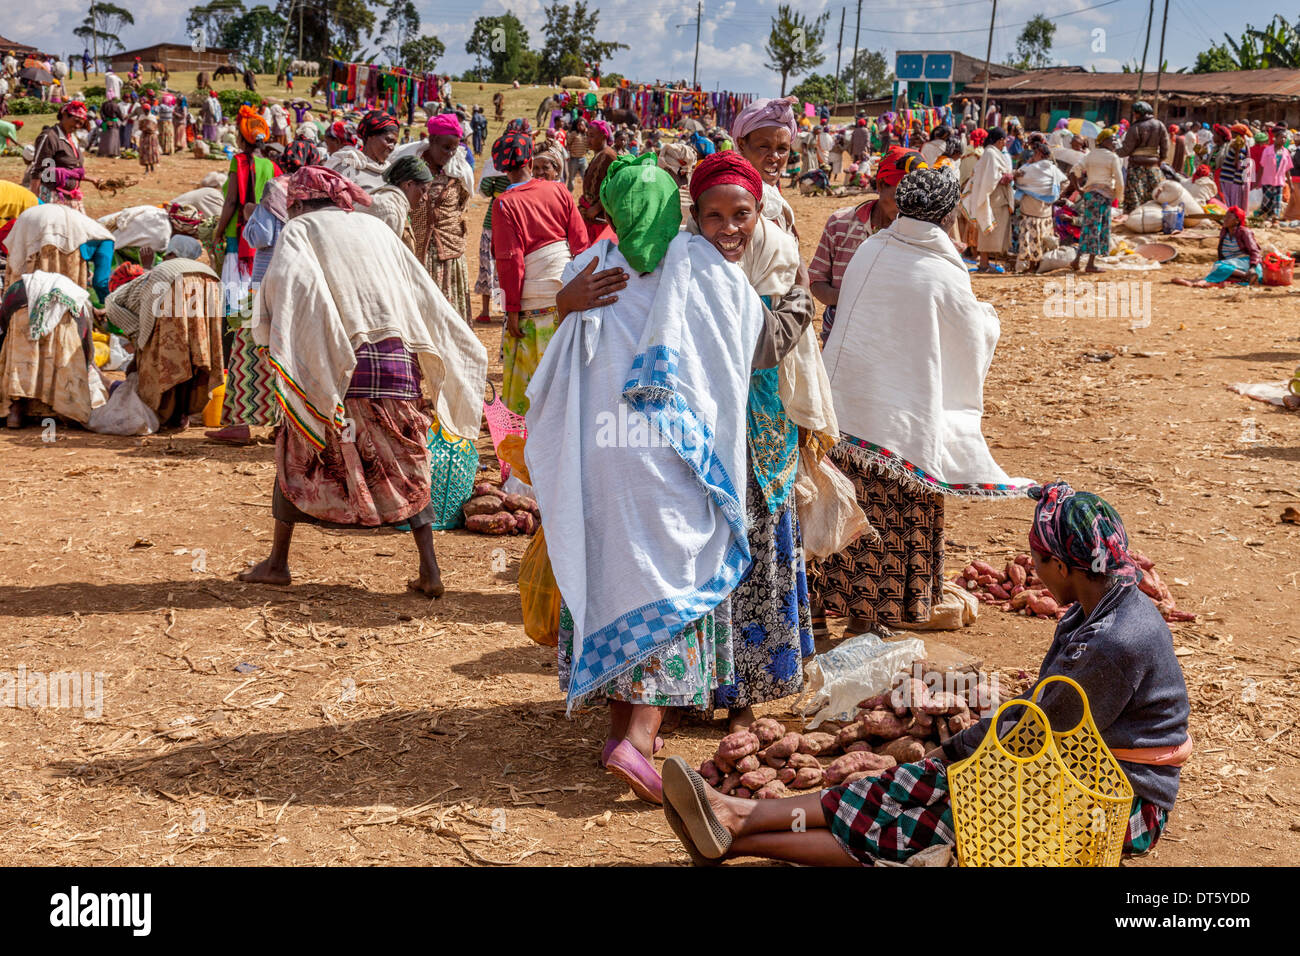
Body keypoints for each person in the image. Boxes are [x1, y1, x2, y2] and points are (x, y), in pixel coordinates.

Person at [662, 481, 1190, 867]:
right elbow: (1038, 719)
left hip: (1118, 802)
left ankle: (738, 833)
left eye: (1037, 560)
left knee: (926, 827)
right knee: (906, 786)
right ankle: (736, 813)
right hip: (1075, 767)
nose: (1034, 569)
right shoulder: (1093, 608)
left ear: (1068, 566)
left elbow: (1034, 730)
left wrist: (956, 755)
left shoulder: (1115, 642)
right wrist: (950, 761)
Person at [530, 154, 769, 803]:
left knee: (617, 580)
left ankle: (624, 728)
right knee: (670, 581)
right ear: (678, 211)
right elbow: (748, 341)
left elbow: (551, 373)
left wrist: (563, 303)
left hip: (601, 463)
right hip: (668, 460)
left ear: (607, 210)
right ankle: (634, 741)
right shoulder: (698, 266)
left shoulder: (586, 270)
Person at [238, 165, 487, 596]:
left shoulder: (300, 231)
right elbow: (420, 290)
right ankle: (430, 571)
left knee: (298, 451)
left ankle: (278, 563)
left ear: (298, 203)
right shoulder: (375, 229)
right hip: (395, 364)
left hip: (336, 366)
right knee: (407, 464)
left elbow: (286, 286)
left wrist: (278, 336)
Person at [810, 168, 1031, 639]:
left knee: (842, 513)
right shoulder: (941, 269)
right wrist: (988, 319)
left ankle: (828, 615)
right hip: (898, 421)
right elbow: (969, 338)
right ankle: (869, 621)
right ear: (948, 215)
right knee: (887, 520)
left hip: (846, 408)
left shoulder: (871, 249)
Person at [490, 128, 589, 414]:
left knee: (535, 387)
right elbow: (580, 243)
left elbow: (511, 260)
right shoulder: (559, 190)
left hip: (532, 305)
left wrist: (511, 309)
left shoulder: (504, 204)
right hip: (568, 296)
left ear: (501, 168)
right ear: (530, 159)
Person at [207, 105, 281, 446]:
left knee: (239, 325)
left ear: (240, 135)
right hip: (271, 259)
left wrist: (218, 232)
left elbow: (231, 203)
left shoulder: (238, 164)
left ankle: (238, 412)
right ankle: (275, 416)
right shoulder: (273, 167)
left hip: (243, 248)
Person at [0, 203, 112, 427]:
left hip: (23, 294)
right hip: (64, 298)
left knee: (23, 340)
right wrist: (104, 306)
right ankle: (60, 406)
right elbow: (100, 281)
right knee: (63, 344)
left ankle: (17, 409)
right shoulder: (102, 237)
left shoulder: (26, 219)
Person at [102, 250, 223, 428]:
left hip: (171, 280)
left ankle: (166, 413)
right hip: (211, 279)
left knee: (162, 359)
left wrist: (142, 342)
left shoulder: (116, 296)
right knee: (192, 352)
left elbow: (114, 309)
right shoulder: (143, 283)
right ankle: (183, 412)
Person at [809, 146, 916, 344]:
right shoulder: (841, 223)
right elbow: (816, 281)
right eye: (899, 196)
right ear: (882, 185)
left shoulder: (917, 235)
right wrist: (850, 298)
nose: (905, 206)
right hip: (841, 338)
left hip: (893, 342)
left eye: (912, 199)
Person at [408, 113, 474, 322]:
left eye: (454, 148)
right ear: (432, 141)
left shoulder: (458, 172)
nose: (451, 153)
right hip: (418, 252)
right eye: (446, 147)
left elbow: (462, 204)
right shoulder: (411, 170)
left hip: (450, 254)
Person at [1067, 127, 1123, 273]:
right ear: (1104, 141)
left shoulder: (1091, 155)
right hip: (1103, 196)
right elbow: (1119, 180)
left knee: (1088, 226)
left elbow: (1073, 172)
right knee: (1098, 228)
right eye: (1113, 139)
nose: (1115, 142)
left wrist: (1079, 189)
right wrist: (1118, 196)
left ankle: (1077, 260)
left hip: (1090, 195)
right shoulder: (1113, 157)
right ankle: (1090, 264)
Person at [25, 102, 98, 211]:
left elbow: (71, 170)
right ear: (64, 115)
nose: (77, 126)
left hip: (72, 197)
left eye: (81, 123)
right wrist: (34, 203)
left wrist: (92, 179)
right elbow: (38, 170)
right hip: (52, 198)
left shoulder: (72, 138)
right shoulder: (50, 137)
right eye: (76, 121)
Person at [359, 154, 432, 254]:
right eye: (423, 191)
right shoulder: (389, 210)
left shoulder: (396, 204)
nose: (425, 198)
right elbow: (382, 255)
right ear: (408, 184)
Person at [1171, 206, 1260, 287]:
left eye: (1228, 217)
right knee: (1221, 270)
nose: (1225, 219)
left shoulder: (1244, 232)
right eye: (1225, 216)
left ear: (1237, 221)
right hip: (1231, 264)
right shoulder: (1224, 232)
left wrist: (1252, 268)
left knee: (1218, 266)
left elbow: (1255, 251)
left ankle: (1247, 275)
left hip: (1246, 262)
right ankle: (1244, 277)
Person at [964, 126, 1012, 273]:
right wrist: (1007, 177)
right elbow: (991, 178)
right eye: (1004, 140)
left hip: (995, 197)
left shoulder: (991, 153)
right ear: (1000, 140)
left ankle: (987, 263)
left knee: (990, 231)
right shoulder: (991, 154)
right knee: (988, 231)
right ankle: (984, 264)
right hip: (993, 197)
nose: (1005, 143)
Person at [1012, 139, 1065, 274]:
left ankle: (1031, 266)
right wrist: (1052, 195)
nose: (1032, 156)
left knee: (1030, 240)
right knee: (1041, 239)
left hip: (1030, 210)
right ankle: (1037, 265)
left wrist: (1027, 167)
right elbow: (1064, 182)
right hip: (1045, 211)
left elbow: (1019, 179)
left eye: (1034, 153)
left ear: (1039, 154)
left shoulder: (1030, 168)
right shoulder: (1053, 169)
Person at [325, 110, 398, 192]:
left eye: (394, 143)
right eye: (388, 140)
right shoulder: (349, 165)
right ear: (371, 136)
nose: (392, 147)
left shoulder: (391, 173)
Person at [1116, 101, 1169, 212]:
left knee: (1136, 196)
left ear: (1139, 113)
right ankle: (1156, 215)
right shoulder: (1159, 125)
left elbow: (1126, 150)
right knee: (1157, 193)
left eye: (1135, 113)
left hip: (1136, 167)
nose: (1134, 115)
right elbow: (1165, 146)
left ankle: (1136, 217)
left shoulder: (1135, 127)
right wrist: (1161, 159)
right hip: (1154, 166)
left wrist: (1114, 152)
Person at [578, 119, 617, 243]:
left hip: (600, 218)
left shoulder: (609, 155)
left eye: (592, 136)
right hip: (591, 215)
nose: (588, 139)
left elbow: (614, 186)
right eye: (587, 136)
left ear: (604, 136)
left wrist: (597, 207)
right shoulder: (599, 154)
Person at [1257, 126, 1292, 221]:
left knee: (1277, 203)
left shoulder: (1286, 152)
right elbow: (1261, 166)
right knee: (1266, 204)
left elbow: (1287, 169)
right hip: (1267, 181)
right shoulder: (1267, 150)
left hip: (1279, 183)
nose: (1284, 139)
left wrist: (1290, 184)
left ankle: (1274, 219)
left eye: (1285, 138)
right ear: (1275, 138)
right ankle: (1265, 218)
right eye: (1282, 137)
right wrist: (1257, 182)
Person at [1216, 124, 1253, 213]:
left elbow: (1238, 164)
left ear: (1237, 134)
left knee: (1232, 203)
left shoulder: (1240, 145)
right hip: (1229, 178)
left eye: (1232, 132)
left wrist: (1236, 151)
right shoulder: (1238, 144)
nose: (1231, 134)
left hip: (1233, 179)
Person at [566, 116, 589, 190]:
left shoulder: (587, 134)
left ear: (585, 125)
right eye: (578, 125)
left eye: (582, 125)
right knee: (571, 178)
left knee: (585, 178)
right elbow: (568, 142)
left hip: (583, 159)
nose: (580, 126)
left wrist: (587, 133)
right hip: (574, 159)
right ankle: (569, 194)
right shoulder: (574, 133)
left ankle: (586, 194)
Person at [136, 107, 160, 174]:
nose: (146, 112)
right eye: (145, 110)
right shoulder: (141, 117)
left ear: (149, 110)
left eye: (147, 110)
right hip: (144, 136)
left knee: (151, 152)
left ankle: (152, 167)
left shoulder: (152, 117)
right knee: (145, 153)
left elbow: (155, 127)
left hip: (151, 136)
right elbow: (140, 127)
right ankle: (147, 168)